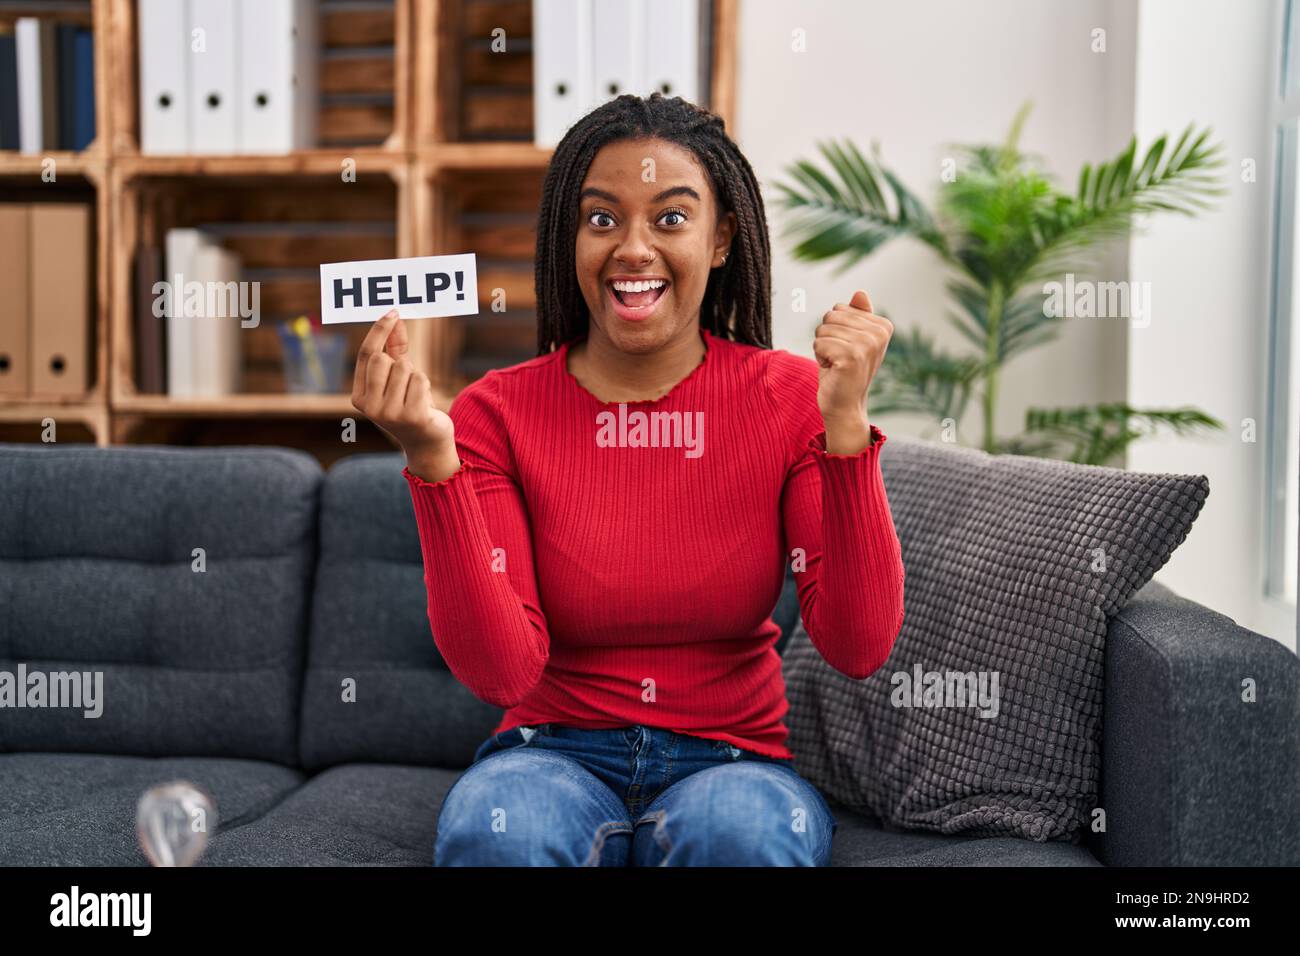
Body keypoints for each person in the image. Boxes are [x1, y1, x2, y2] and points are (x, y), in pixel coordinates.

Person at [350, 93, 905, 866]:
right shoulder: (496, 413)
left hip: (733, 762)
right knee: (497, 831)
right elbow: (498, 670)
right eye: (602, 219)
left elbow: (858, 643)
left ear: (721, 240)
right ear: (569, 241)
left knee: (739, 837)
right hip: (547, 755)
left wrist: (845, 430)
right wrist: (432, 462)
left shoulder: (789, 399)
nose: (632, 248)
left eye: (671, 218)